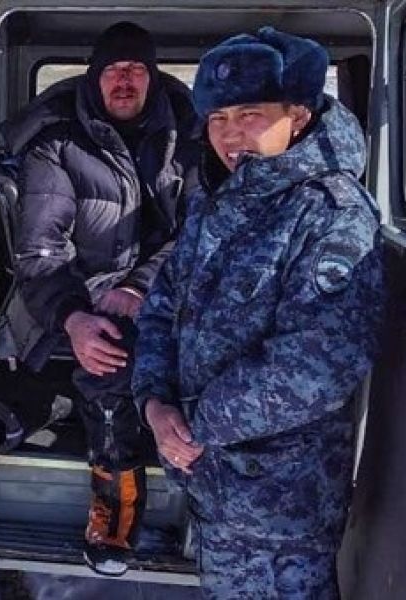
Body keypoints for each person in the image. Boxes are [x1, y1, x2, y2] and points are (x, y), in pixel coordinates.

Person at [133, 27, 384, 598]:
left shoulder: (331, 214)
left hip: (282, 511)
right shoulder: (215, 200)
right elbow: (162, 308)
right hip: (212, 488)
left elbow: (316, 367)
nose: (230, 133)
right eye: (218, 118)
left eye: (250, 114)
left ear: (298, 115)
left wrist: (194, 425)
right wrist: (153, 403)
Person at [0, 21, 199, 575]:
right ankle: (115, 512)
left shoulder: (191, 134)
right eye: (113, 70)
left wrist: (140, 286)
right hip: (79, 293)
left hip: (168, 288)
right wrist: (73, 317)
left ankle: (209, 507)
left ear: (153, 76)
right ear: (94, 77)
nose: (124, 80)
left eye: (135, 69)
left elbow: (198, 233)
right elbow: (40, 248)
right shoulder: (57, 141)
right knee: (109, 357)